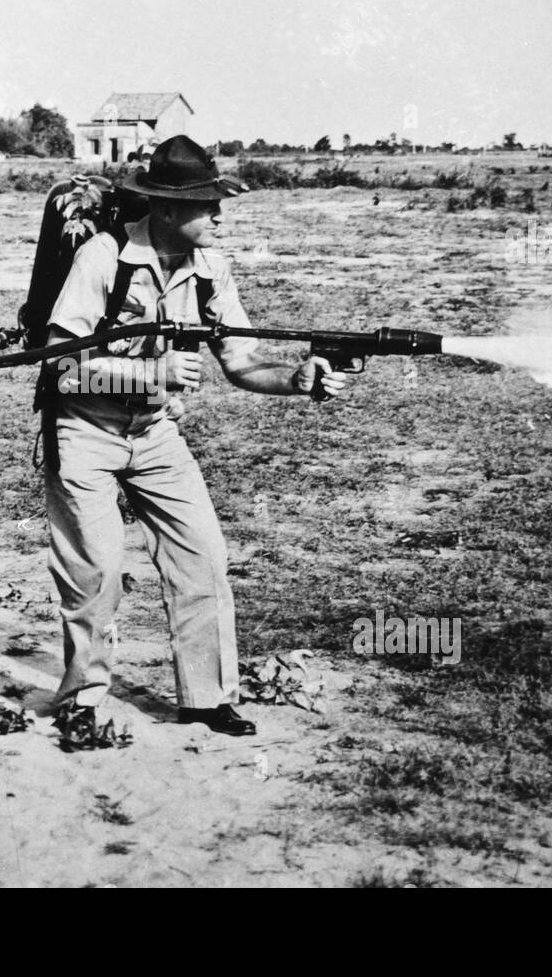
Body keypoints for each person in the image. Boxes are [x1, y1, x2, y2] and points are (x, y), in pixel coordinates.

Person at [43, 135, 352, 738]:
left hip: (155, 433)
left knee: (204, 557)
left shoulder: (210, 269)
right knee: (97, 572)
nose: (219, 214)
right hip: (86, 430)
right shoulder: (103, 259)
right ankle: (83, 699)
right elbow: (59, 362)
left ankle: (207, 698)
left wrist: (296, 378)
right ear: (163, 209)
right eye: (206, 203)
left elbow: (240, 362)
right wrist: (148, 373)